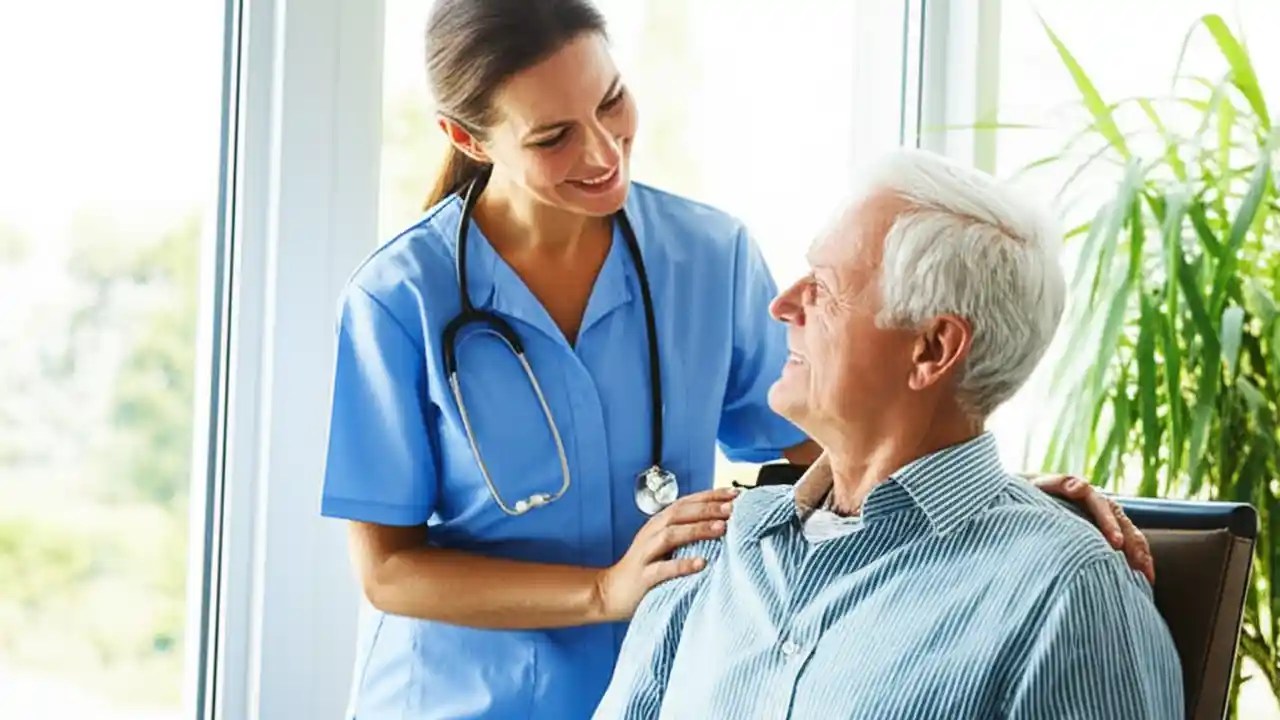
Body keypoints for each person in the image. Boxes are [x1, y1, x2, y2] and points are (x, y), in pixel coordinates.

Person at [319, 1, 1153, 718]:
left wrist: (989, 495)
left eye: (613, 102)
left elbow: (854, 439)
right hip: (463, 695)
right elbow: (388, 569)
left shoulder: (705, 256)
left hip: (663, 669)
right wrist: (604, 593)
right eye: (554, 137)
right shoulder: (400, 297)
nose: (605, 152)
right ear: (468, 137)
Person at [592, 148, 1182, 720]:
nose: (781, 305)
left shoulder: (1064, 593)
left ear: (931, 349)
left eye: (822, 286)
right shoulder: (709, 550)